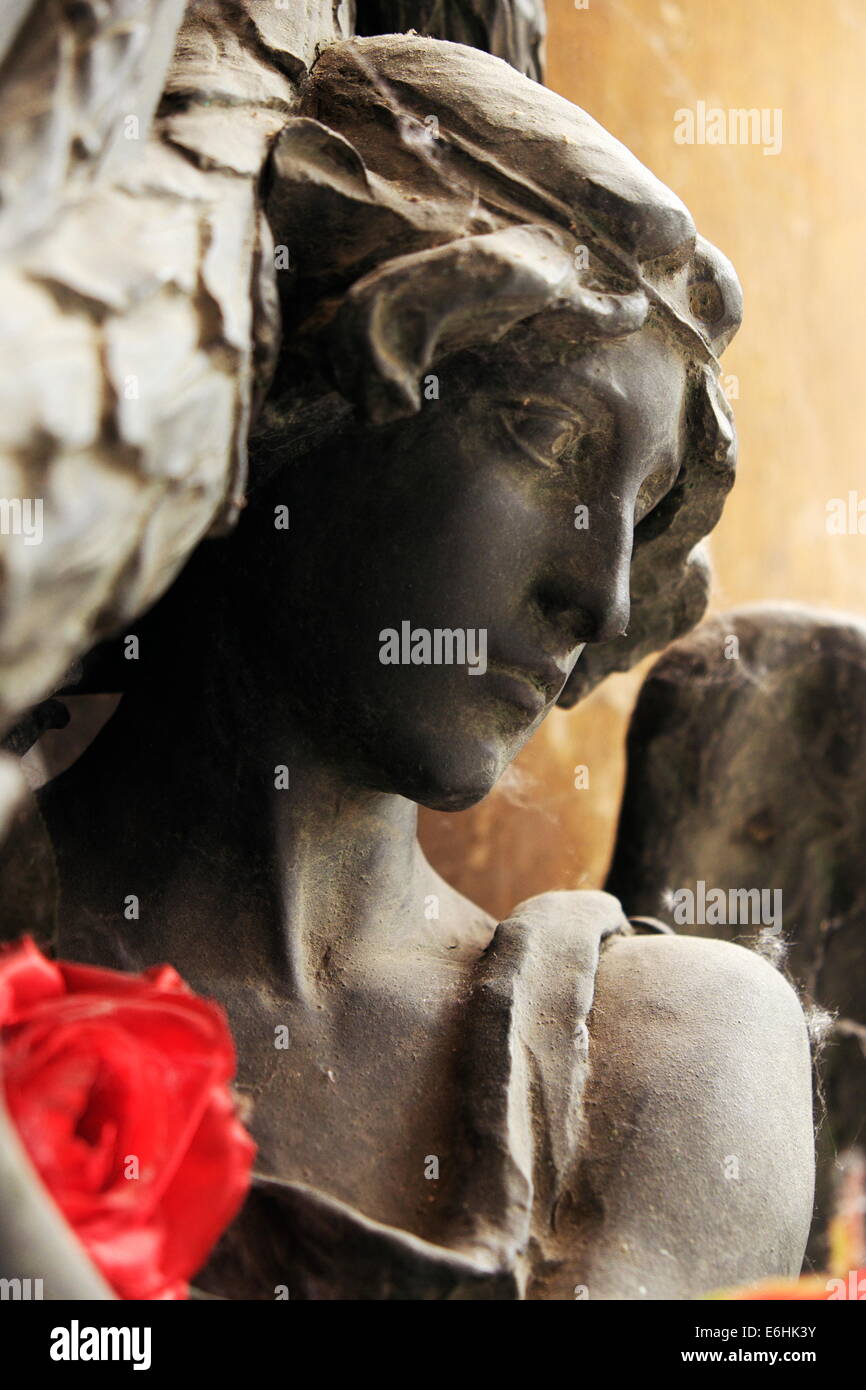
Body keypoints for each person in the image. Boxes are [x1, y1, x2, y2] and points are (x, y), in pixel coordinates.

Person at [23, 36, 813, 1299]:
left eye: (644, 503)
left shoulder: (655, 1047)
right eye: (549, 437)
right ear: (309, 381)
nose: (600, 592)